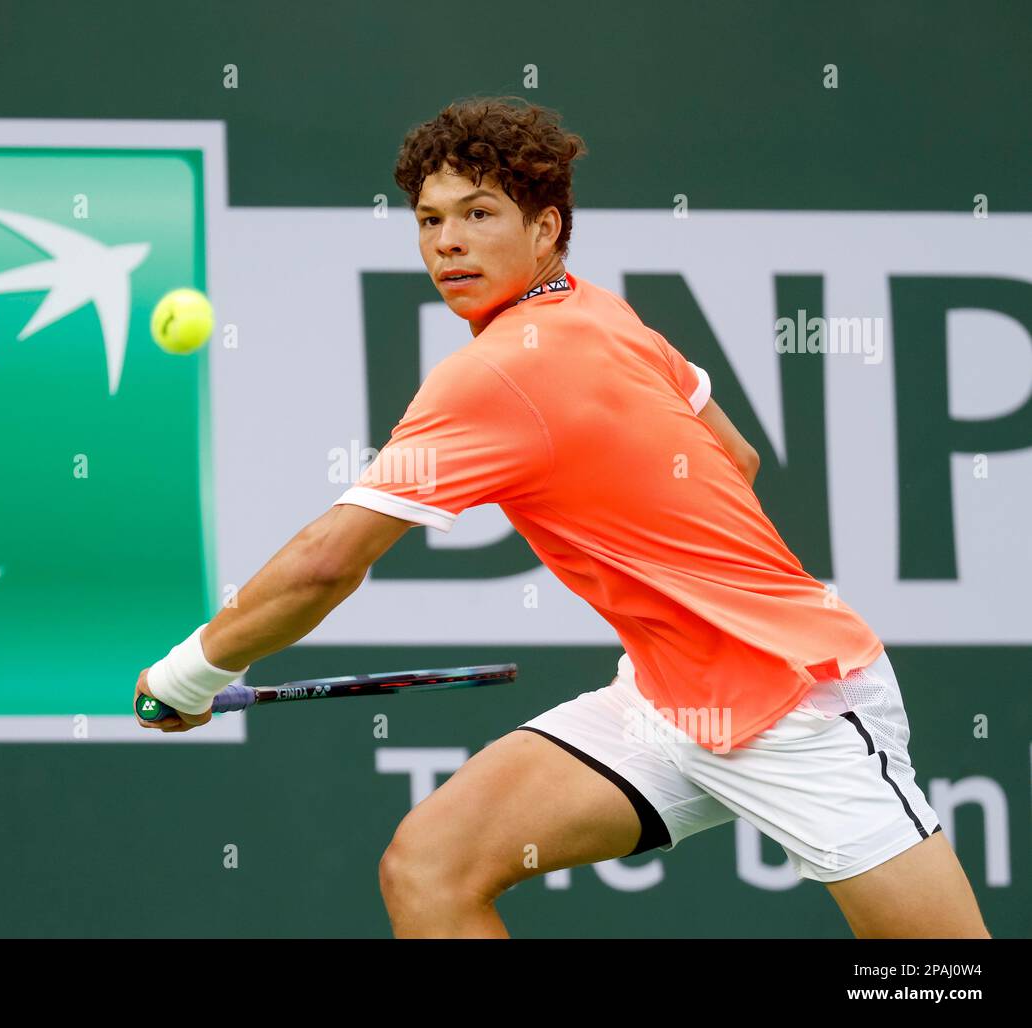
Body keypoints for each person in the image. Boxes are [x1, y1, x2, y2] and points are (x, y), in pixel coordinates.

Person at [136, 96, 990, 939]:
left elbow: (327, 563)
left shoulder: (495, 372)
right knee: (431, 867)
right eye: (430, 221)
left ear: (545, 229)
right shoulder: (598, 308)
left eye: (479, 214)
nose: (448, 242)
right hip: (666, 702)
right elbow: (734, 457)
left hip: (792, 699)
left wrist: (185, 677)